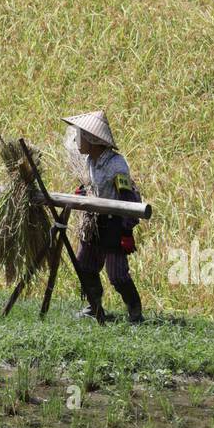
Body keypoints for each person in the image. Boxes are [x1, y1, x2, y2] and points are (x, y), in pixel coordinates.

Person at [63, 110, 143, 323]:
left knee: (117, 275)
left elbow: (127, 196)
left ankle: (135, 312)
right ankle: (94, 306)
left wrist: (126, 230)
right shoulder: (89, 160)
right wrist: (83, 191)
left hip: (114, 223)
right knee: (85, 266)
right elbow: (91, 185)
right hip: (93, 223)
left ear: (93, 139)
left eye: (80, 135)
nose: (77, 140)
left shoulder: (116, 165)